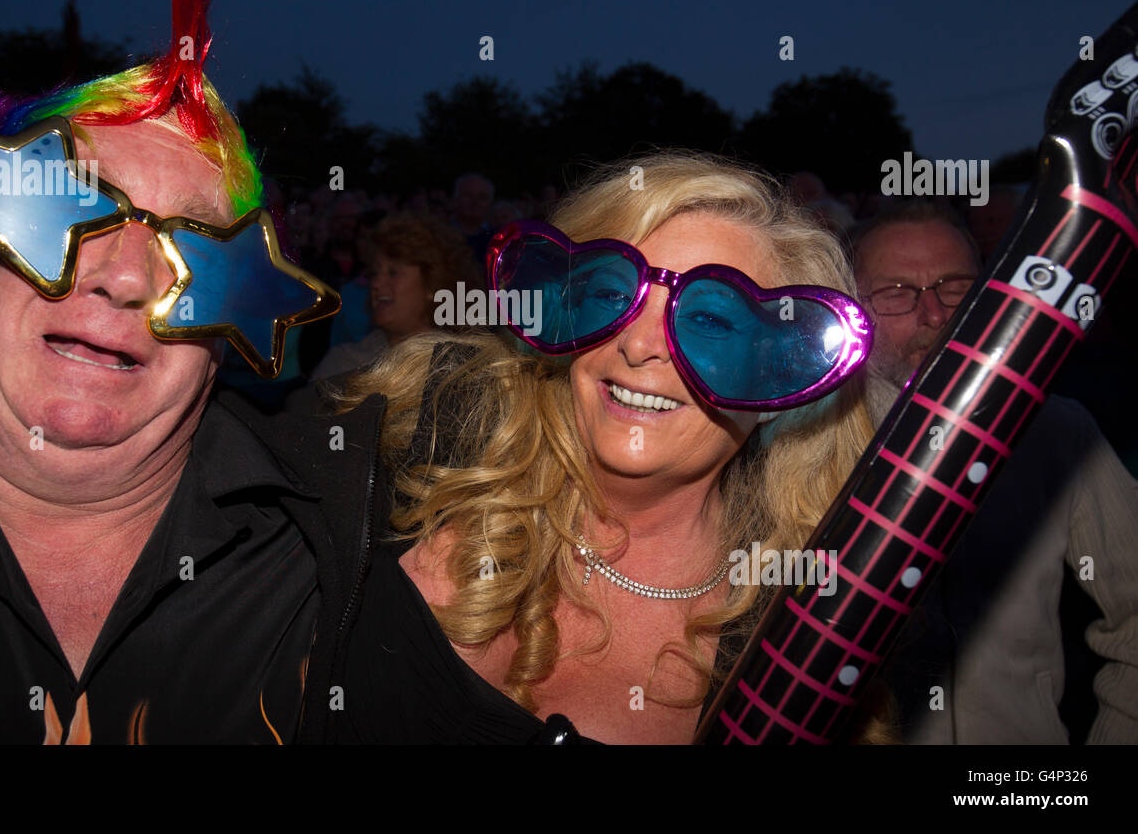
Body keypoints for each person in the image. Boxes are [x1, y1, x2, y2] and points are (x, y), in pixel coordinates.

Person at [0, 0, 391, 744]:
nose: (129, 276)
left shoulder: (342, 535)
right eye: (70, 210)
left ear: (227, 336)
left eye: (195, 253)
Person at [322, 152, 894, 744]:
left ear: (782, 377)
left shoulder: (798, 635)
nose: (639, 344)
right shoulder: (419, 440)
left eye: (712, 322)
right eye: (612, 293)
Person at [852, 199, 1138, 743]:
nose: (934, 313)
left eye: (955, 286)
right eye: (895, 293)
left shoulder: (1054, 431)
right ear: (853, 306)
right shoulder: (810, 446)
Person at [311, 212, 480, 381]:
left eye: (393, 273)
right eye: (375, 273)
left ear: (432, 285)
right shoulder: (344, 364)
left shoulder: (464, 369)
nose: (376, 283)